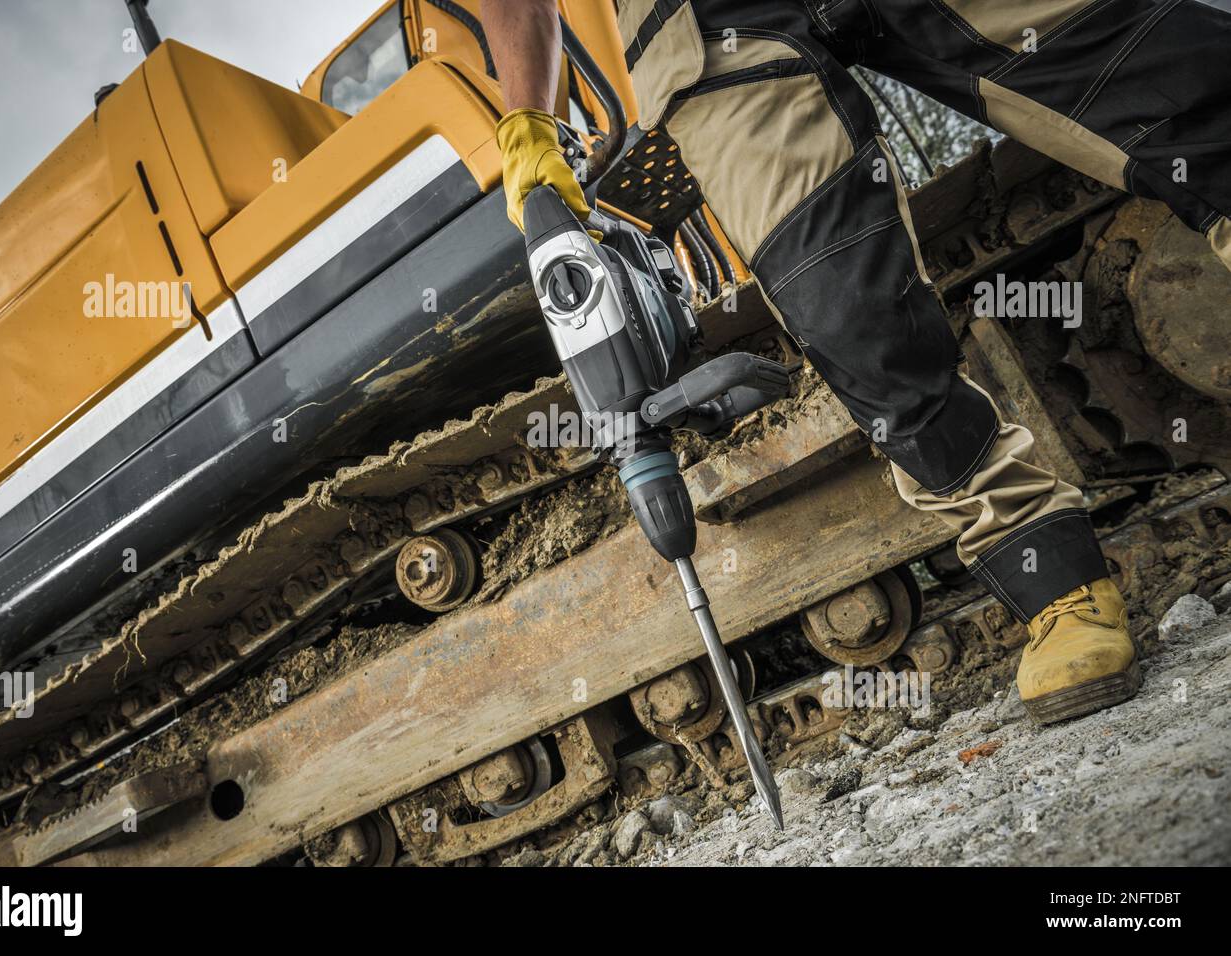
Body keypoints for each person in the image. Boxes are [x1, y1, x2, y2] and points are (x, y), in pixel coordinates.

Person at [482, 0, 1230, 724]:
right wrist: (527, 125)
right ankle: (1055, 581)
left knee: (1176, 75)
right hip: (704, 27)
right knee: (846, 316)